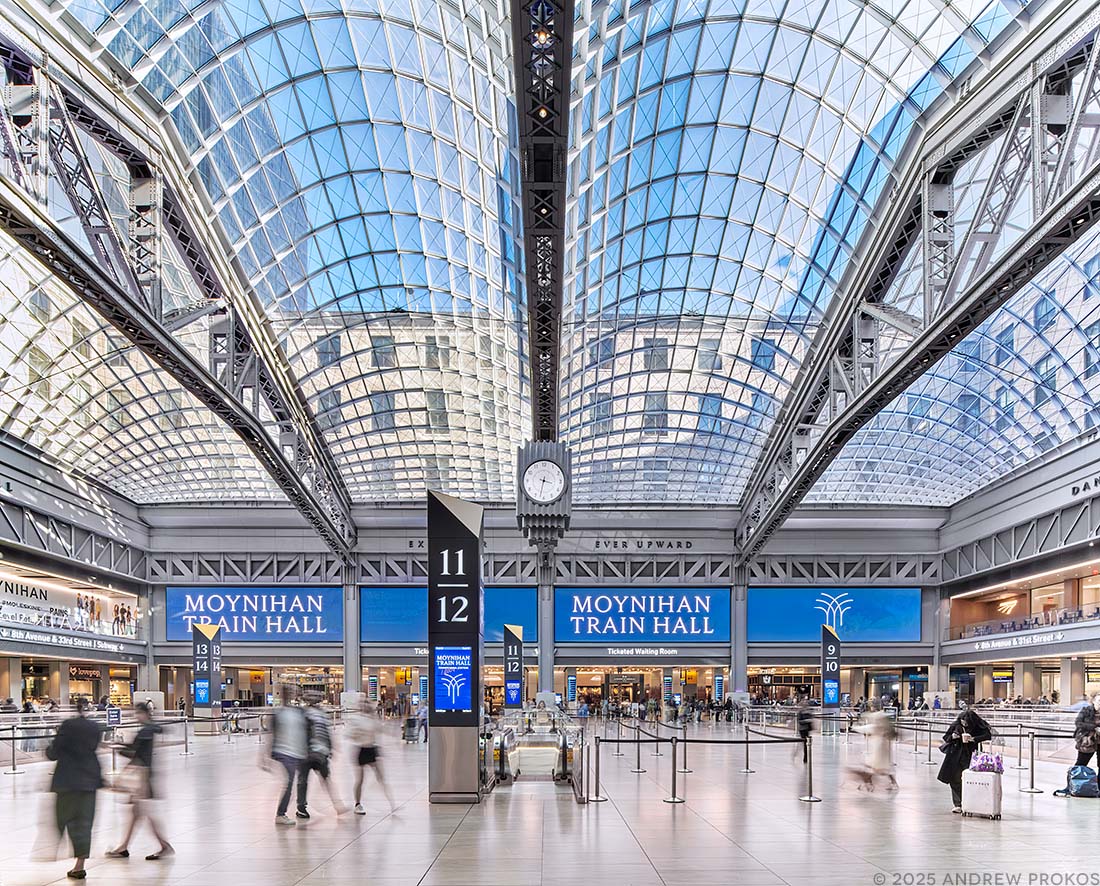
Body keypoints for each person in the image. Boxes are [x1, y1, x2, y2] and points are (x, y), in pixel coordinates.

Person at [106, 702, 173, 860]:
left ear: (144, 713)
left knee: (144, 813)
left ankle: (164, 845)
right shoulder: (149, 728)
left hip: (142, 776)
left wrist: (116, 748)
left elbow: (133, 752)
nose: (136, 716)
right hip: (144, 774)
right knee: (136, 813)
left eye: (137, 713)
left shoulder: (145, 730)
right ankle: (123, 847)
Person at [45, 698, 103, 879]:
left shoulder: (67, 726)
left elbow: (53, 753)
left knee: (64, 817)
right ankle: (80, 864)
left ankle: (54, 847)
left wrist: (49, 747)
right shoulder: (95, 727)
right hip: (90, 779)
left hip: (68, 780)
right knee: (85, 822)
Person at [297, 691, 343, 818]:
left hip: (321, 752)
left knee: (326, 778)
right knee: (303, 781)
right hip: (306, 753)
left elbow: (325, 731)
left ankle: (337, 805)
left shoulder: (322, 713)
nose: (314, 700)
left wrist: (330, 747)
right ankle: (301, 807)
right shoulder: (303, 713)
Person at [937, 708, 992, 813]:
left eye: (966, 722)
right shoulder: (956, 724)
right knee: (954, 779)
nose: (964, 724)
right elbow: (946, 737)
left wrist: (974, 739)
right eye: (962, 721)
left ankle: (970, 802)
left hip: (971, 754)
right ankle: (958, 804)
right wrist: (953, 737)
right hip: (955, 754)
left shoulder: (977, 725)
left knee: (971, 779)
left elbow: (987, 735)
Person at [347, 695, 394, 813]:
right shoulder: (356, 719)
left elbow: (380, 731)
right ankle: (357, 804)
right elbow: (349, 734)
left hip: (372, 749)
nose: (366, 705)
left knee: (381, 777)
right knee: (360, 779)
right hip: (361, 749)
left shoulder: (372, 719)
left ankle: (391, 802)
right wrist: (356, 734)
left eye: (367, 703)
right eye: (363, 703)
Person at [269, 686, 308, 826]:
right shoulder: (278, 713)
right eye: (287, 692)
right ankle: (280, 814)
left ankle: (301, 807)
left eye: (291, 692)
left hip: (298, 752)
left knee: (301, 780)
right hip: (283, 752)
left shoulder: (299, 712)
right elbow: (272, 734)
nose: (289, 695)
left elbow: (304, 731)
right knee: (290, 781)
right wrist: (264, 755)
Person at [853, 702, 898, 790]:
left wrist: (855, 727)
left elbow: (867, 727)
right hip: (880, 746)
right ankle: (891, 783)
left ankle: (868, 783)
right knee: (881, 766)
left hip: (879, 747)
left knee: (876, 766)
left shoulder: (877, 720)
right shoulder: (882, 719)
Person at [1073, 694, 1100, 767]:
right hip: (1088, 740)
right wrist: (1094, 727)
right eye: (1099, 700)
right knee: (1081, 763)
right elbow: (1078, 723)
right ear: (1094, 701)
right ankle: (1076, 777)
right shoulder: (1086, 710)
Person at [794, 695, 814, 763]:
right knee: (804, 743)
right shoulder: (800, 712)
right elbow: (800, 721)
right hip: (802, 729)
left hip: (807, 729)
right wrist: (806, 721)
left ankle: (806, 757)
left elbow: (811, 718)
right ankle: (804, 757)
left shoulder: (808, 711)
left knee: (806, 743)